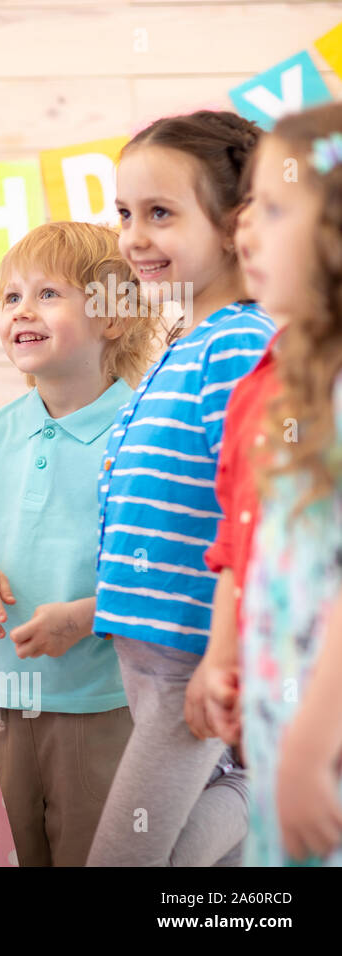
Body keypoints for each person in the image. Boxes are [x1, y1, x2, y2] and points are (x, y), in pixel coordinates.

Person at [87, 110, 274, 867]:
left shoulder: (236, 341)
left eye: (160, 214)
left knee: (124, 858)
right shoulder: (187, 343)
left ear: (234, 225)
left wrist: (221, 654)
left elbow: (253, 505)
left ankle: (269, 782)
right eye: (125, 213)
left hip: (187, 648)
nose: (133, 237)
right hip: (154, 646)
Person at [0, 221, 160, 865]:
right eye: (11, 298)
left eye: (48, 294)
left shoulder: (142, 432)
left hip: (98, 708)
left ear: (114, 317)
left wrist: (81, 618)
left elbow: (159, 576)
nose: (23, 312)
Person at [233, 103, 342, 865]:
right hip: (288, 727)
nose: (248, 232)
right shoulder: (303, 379)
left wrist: (309, 747)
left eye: (274, 209)